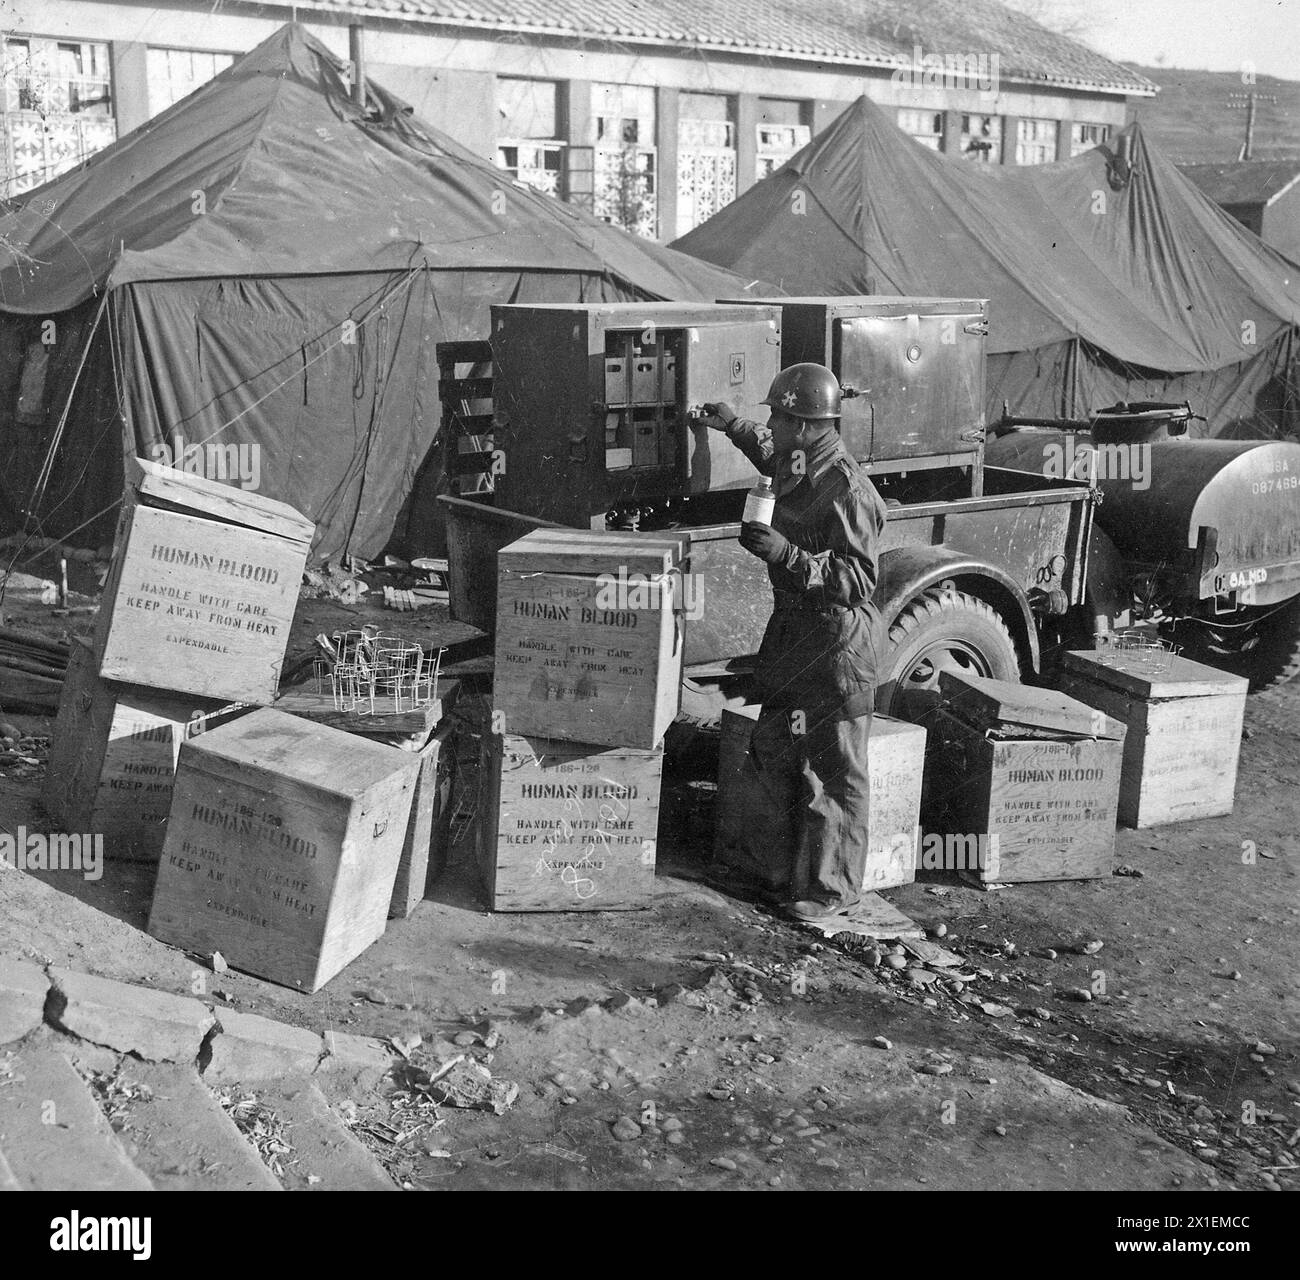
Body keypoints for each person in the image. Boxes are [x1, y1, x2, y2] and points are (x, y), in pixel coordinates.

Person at [702, 363, 887, 921]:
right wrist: (731, 425)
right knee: (774, 751)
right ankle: (774, 874)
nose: (772, 429)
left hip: (837, 645)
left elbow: (858, 581)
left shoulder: (850, 491)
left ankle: (832, 893)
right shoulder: (799, 455)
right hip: (792, 639)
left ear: (804, 425)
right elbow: (770, 453)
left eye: (777, 419)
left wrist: (787, 555)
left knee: (835, 773)